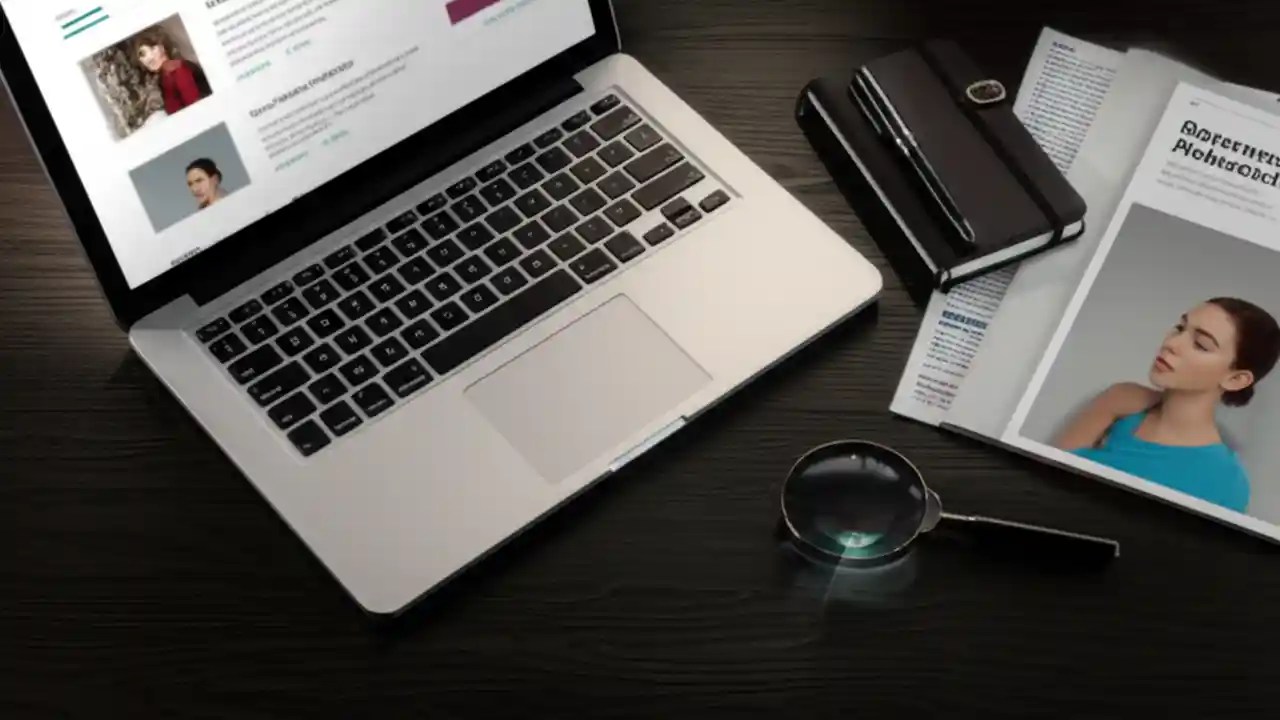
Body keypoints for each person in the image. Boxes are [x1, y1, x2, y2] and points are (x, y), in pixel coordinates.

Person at [1054, 297, 1280, 513]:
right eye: (1180, 328)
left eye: (1201, 345)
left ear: (1236, 379)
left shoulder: (1226, 482)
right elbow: (1047, 473)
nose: (1171, 343)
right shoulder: (1120, 400)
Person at [132, 28, 211, 116]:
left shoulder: (177, 70)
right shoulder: (163, 79)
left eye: (153, 48)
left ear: (162, 47)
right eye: (142, 54)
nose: (150, 57)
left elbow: (197, 109)